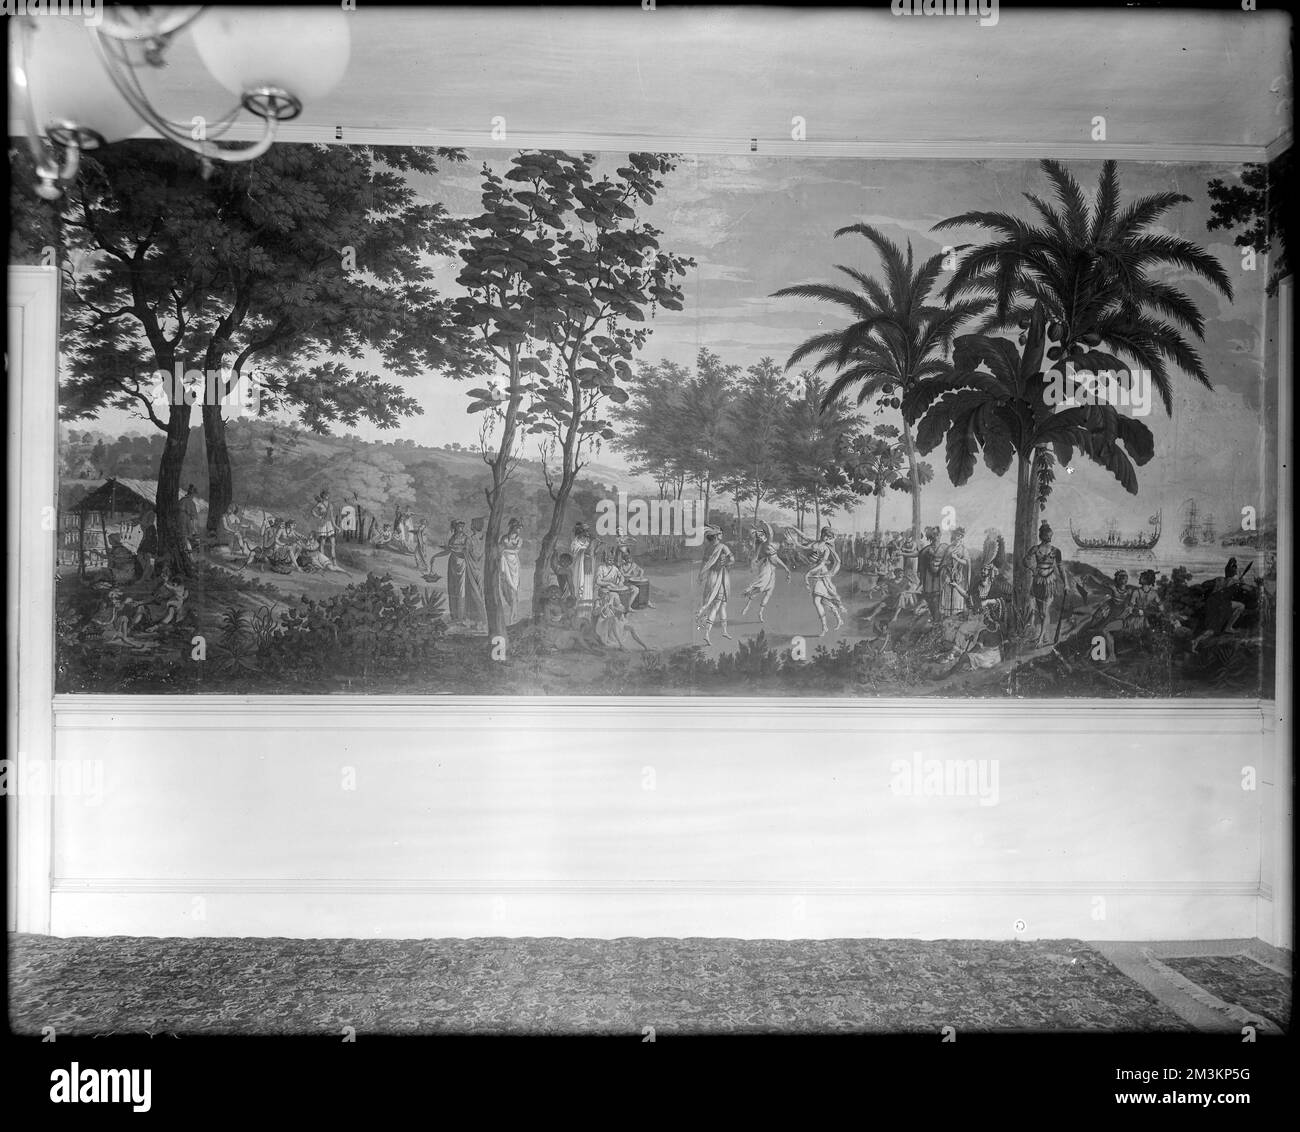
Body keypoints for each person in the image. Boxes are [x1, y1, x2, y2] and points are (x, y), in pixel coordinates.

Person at [1022, 521, 1065, 645]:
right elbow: (1025, 560)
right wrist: (1033, 569)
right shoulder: (1035, 549)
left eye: (1051, 535)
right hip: (1038, 582)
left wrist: (1066, 584)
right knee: (1040, 611)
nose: (1050, 537)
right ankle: (1044, 636)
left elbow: (1061, 568)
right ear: (1042, 536)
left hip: (1049, 583)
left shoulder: (1056, 551)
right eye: (1048, 535)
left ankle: (1041, 638)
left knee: (1045, 611)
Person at [1192, 558, 1248, 652]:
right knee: (1241, 606)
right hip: (1220, 604)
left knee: (1211, 629)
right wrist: (1242, 581)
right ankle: (1228, 628)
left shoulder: (1219, 579)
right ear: (1235, 572)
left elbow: (1205, 584)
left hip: (1211, 603)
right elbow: (1248, 589)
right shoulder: (1236, 582)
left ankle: (1195, 641)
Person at [740, 525, 792, 623]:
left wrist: (786, 569)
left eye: (762, 535)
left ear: (764, 535)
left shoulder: (769, 545)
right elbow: (771, 533)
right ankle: (747, 605)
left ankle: (760, 612)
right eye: (759, 536)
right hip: (767, 567)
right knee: (762, 588)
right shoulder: (764, 544)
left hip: (772, 569)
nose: (761, 537)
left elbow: (776, 558)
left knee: (769, 592)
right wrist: (766, 524)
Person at [695, 526, 734, 645]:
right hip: (720, 578)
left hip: (711, 578)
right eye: (720, 533)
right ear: (716, 536)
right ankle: (707, 633)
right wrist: (727, 563)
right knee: (717, 605)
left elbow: (704, 564)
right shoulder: (723, 547)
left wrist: (700, 576)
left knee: (722, 605)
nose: (722, 535)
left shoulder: (708, 548)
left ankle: (725, 631)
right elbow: (732, 560)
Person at [805, 525, 846, 637]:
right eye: (825, 535)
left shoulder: (827, 548)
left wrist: (808, 574)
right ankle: (837, 619)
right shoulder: (815, 544)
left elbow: (822, 564)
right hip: (815, 574)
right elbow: (806, 547)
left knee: (818, 601)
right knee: (824, 601)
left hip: (821, 575)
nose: (826, 538)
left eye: (829, 537)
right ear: (822, 534)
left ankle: (824, 627)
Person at [430, 520, 468, 624]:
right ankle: (454, 616)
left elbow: (466, 551)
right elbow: (448, 551)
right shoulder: (452, 538)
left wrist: (456, 549)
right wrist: (435, 556)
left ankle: (461, 617)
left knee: (461, 590)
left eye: (461, 527)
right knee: (452, 589)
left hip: (461, 564)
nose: (460, 529)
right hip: (452, 564)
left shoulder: (465, 538)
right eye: (458, 527)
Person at [498, 517, 523, 625]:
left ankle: (514, 616)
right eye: (517, 527)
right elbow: (498, 549)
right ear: (512, 527)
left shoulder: (519, 539)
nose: (519, 530)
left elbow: (516, 550)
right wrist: (502, 552)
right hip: (504, 562)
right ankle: (510, 610)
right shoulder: (504, 537)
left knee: (514, 588)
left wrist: (504, 551)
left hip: (514, 564)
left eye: (520, 528)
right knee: (505, 587)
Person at [941, 526, 971, 616]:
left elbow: (966, 562)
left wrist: (956, 558)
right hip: (948, 573)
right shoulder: (949, 548)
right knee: (947, 592)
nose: (959, 537)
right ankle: (947, 614)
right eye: (957, 535)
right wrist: (946, 569)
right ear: (954, 536)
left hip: (959, 575)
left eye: (960, 536)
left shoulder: (963, 549)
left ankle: (957, 613)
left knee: (956, 593)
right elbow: (944, 561)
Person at [568, 521, 596, 619]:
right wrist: (592, 544)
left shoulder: (587, 541)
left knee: (587, 588)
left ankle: (587, 614)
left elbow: (591, 554)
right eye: (584, 531)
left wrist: (596, 547)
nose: (586, 534)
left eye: (587, 531)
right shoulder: (575, 542)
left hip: (588, 569)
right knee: (580, 587)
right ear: (580, 532)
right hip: (580, 569)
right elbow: (581, 553)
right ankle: (578, 614)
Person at [918, 526, 945, 621]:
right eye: (933, 534)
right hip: (929, 578)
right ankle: (935, 619)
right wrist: (921, 581)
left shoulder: (945, 547)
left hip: (941, 577)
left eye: (937, 534)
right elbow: (921, 566)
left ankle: (938, 620)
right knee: (930, 598)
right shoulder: (925, 550)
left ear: (940, 535)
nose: (936, 536)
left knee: (938, 599)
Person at [465, 516, 488, 629]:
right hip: (479, 569)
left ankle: (479, 620)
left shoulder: (470, 539)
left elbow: (470, 554)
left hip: (475, 569)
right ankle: (476, 620)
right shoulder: (484, 538)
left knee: (475, 593)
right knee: (477, 593)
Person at [311, 489, 337, 561]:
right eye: (326, 495)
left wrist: (335, 526)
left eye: (328, 494)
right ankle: (323, 560)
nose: (327, 496)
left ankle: (333, 560)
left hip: (329, 524)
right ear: (323, 496)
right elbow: (312, 511)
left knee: (333, 543)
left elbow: (332, 517)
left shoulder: (330, 505)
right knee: (322, 543)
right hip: (323, 524)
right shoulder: (320, 504)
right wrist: (318, 517)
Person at [178, 484, 200, 553]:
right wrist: (195, 529)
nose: (194, 496)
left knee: (184, 537)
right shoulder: (190, 502)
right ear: (192, 494)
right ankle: (187, 551)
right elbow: (194, 517)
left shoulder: (181, 500)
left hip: (180, 521)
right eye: (193, 494)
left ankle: (186, 550)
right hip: (185, 521)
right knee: (187, 537)